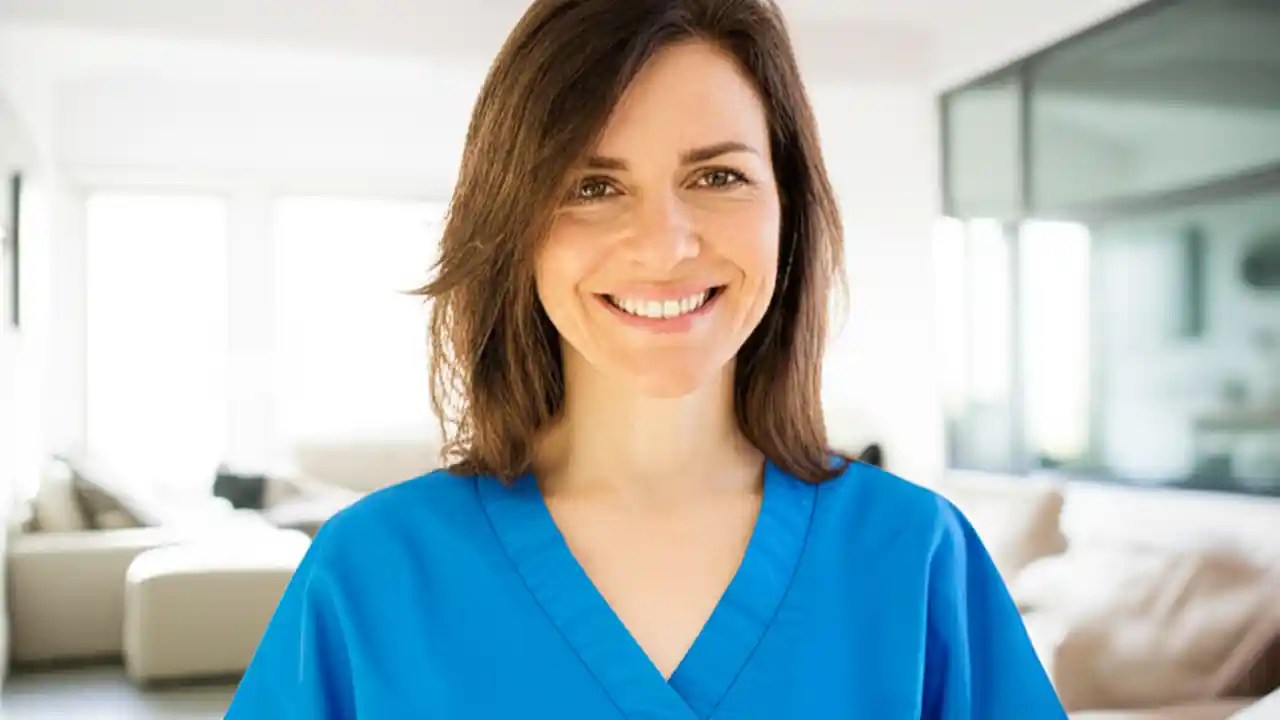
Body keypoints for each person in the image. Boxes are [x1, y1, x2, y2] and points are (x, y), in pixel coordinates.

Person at [226, 0, 1066, 717]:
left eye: (718, 177)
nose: (664, 245)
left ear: (789, 210)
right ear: (513, 226)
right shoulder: (370, 574)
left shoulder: (916, 560)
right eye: (593, 188)